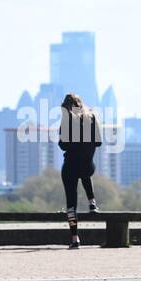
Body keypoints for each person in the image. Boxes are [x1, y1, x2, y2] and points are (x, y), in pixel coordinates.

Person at [58, 93, 102, 250]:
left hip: (70, 166)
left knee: (71, 204)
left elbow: (62, 145)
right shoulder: (92, 117)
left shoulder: (67, 120)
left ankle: (75, 238)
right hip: (87, 166)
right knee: (85, 173)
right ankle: (92, 203)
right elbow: (98, 142)